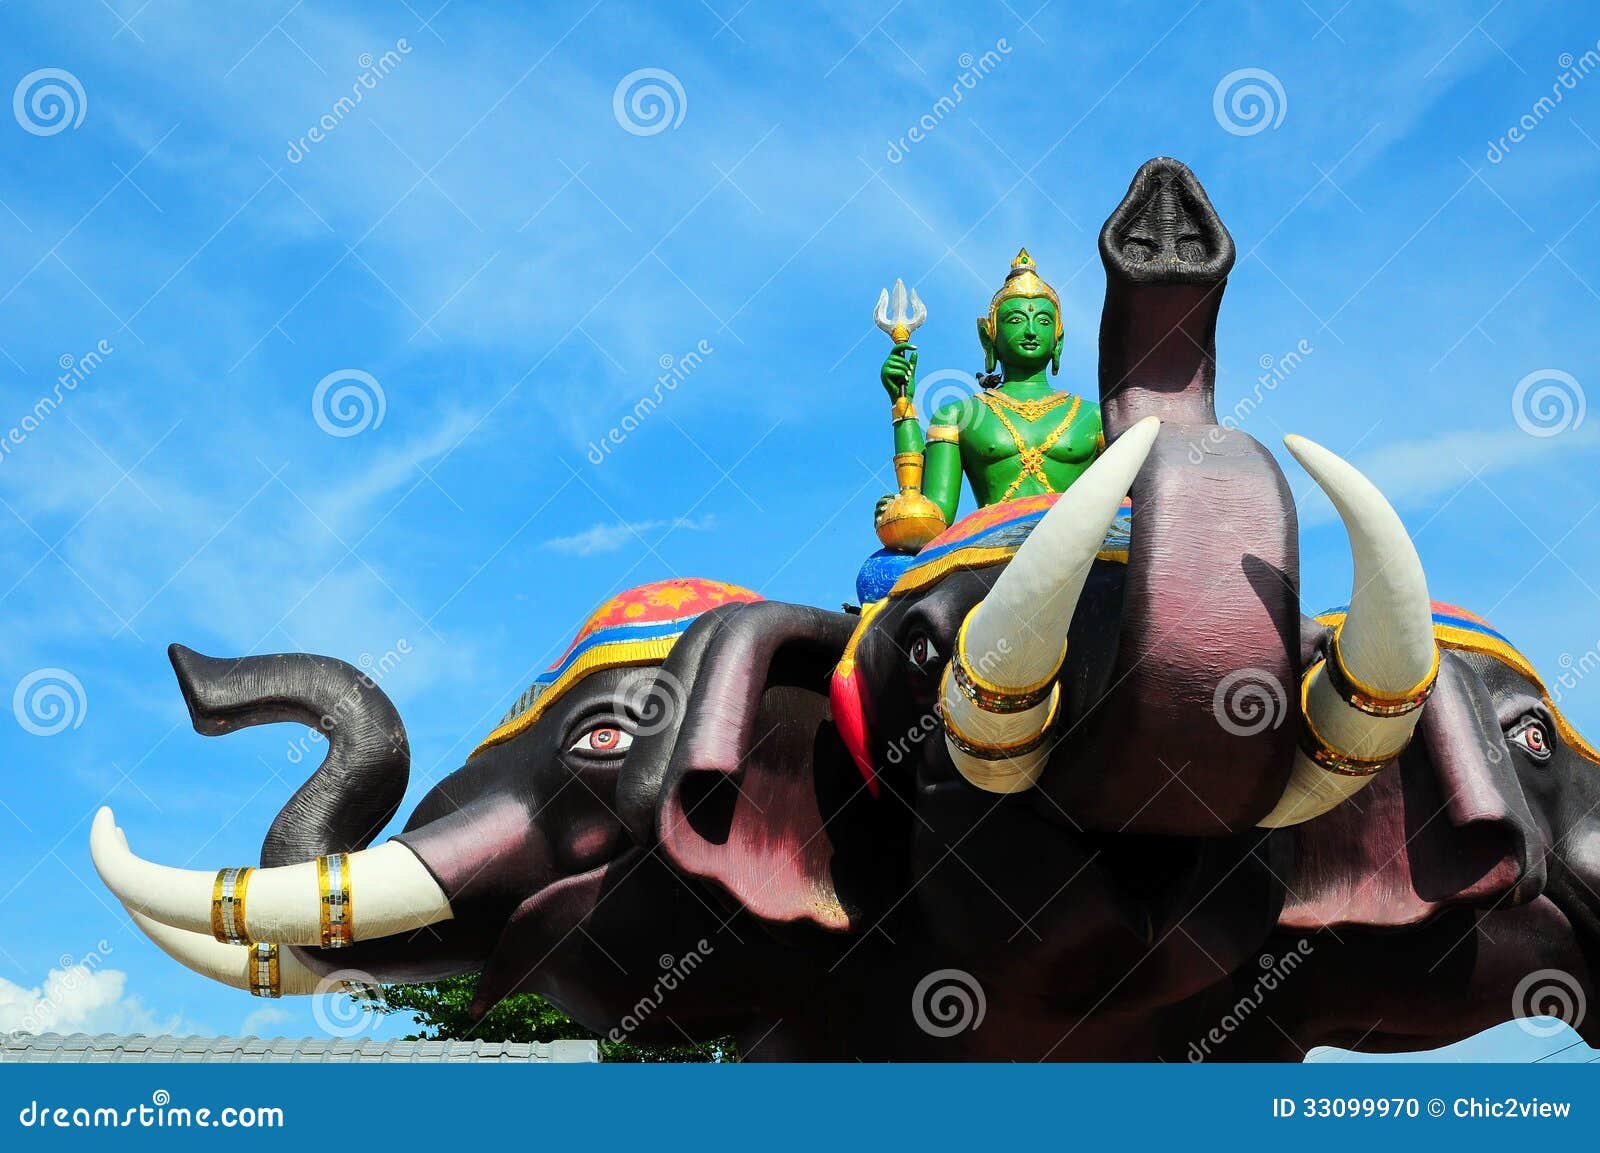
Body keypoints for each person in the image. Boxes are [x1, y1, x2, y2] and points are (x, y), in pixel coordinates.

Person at [874, 250, 1104, 549]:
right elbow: (934, 519)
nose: (1032, 331)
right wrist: (901, 403)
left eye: (1044, 321)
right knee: (886, 568)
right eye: (1016, 320)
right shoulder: (958, 415)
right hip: (990, 548)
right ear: (988, 336)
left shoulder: (1097, 416)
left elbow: (1129, 503)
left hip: (1077, 550)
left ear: (1059, 339)